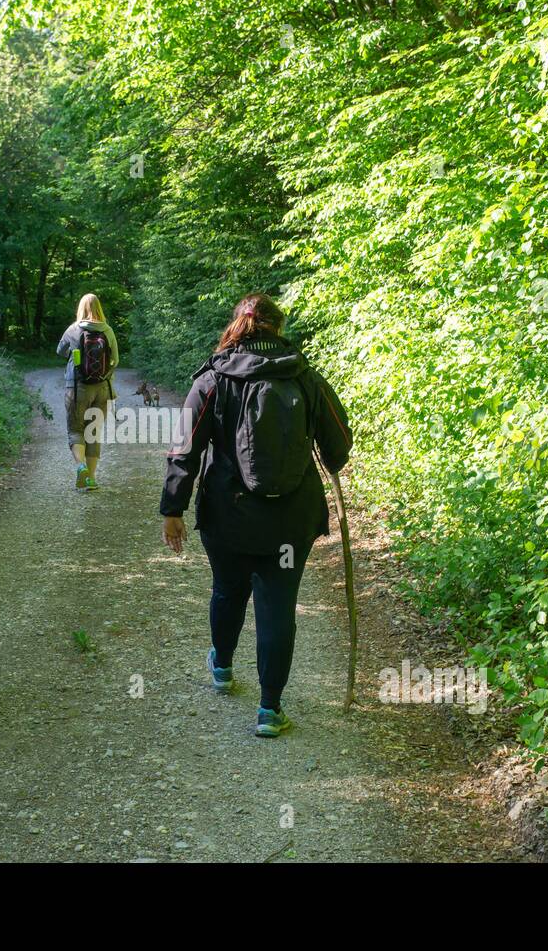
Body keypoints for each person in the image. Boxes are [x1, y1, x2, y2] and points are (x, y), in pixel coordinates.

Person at [160, 293, 352, 738]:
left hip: (229, 515)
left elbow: (184, 446)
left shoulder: (213, 378)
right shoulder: (305, 376)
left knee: (228, 590)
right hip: (291, 520)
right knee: (278, 607)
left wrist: (173, 507)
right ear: (277, 328)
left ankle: (222, 667)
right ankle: (269, 709)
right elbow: (338, 446)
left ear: (237, 326)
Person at [56, 293, 120, 490]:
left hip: (77, 387)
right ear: (99, 308)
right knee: (93, 433)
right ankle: (91, 479)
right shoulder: (107, 330)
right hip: (102, 389)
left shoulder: (73, 329)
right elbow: (115, 360)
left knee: (76, 430)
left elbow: (59, 351)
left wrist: (74, 356)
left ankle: (81, 466)